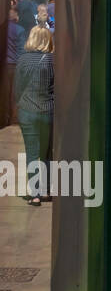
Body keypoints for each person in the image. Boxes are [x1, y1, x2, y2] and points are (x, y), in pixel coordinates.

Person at [15, 25, 54, 205]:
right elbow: (56, 88)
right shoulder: (52, 60)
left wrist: (20, 104)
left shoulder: (22, 60)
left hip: (27, 111)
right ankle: (46, 190)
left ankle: (35, 193)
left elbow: (17, 88)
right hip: (47, 111)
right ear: (47, 40)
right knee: (46, 153)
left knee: (31, 153)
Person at [4, 7, 23, 126]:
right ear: (15, 16)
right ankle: (13, 119)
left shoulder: (3, 29)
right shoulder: (19, 30)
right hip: (15, 65)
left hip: (4, 65)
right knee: (14, 94)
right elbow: (21, 50)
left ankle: (3, 118)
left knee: (4, 93)